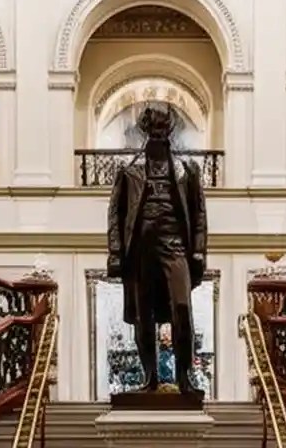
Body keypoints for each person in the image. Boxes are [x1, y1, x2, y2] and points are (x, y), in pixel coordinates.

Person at [106, 103, 208, 398]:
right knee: (143, 316)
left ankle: (184, 377)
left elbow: (199, 213)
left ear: (171, 130)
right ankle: (150, 378)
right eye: (154, 128)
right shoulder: (129, 171)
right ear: (146, 131)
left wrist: (199, 250)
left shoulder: (187, 170)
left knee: (182, 308)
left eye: (164, 128)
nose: (160, 133)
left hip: (175, 246)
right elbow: (115, 216)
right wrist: (115, 253)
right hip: (140, 249)